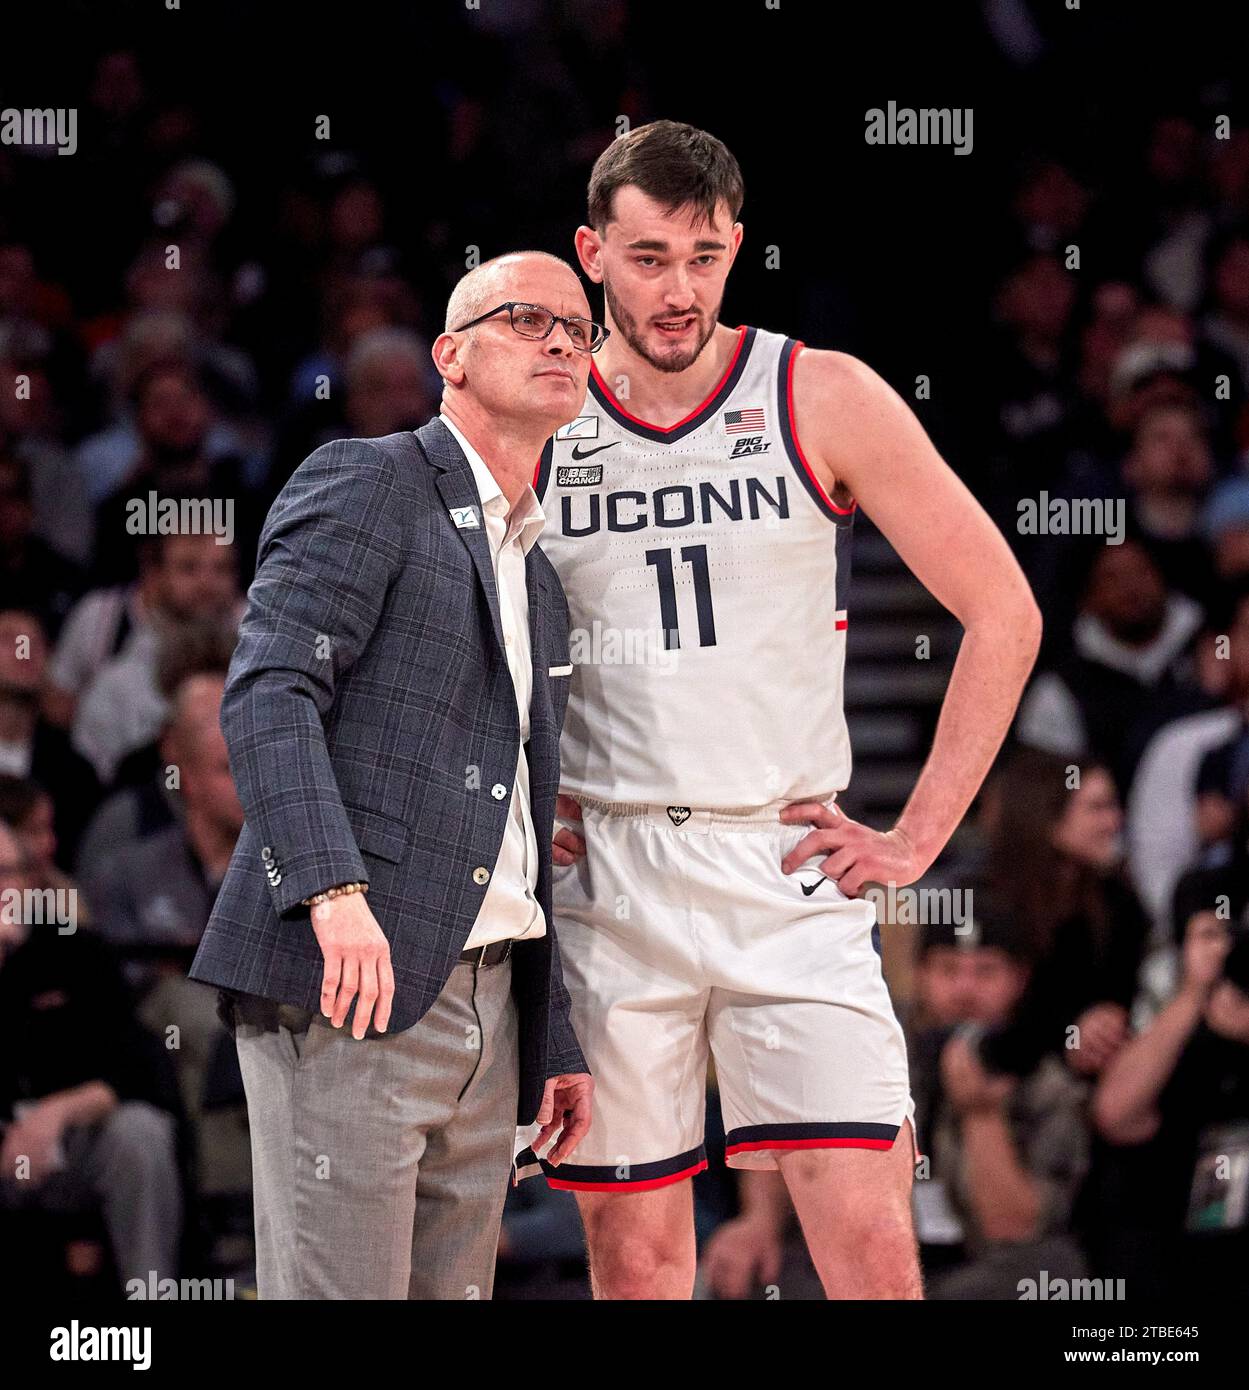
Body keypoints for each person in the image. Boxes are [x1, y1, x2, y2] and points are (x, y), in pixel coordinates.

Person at [535, 121, 1042, 1299]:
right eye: (649, 256)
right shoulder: (540, 420)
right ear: (592, 253)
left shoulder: (821, 392)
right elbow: (457, 637)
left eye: (704, 256)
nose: (679, 288)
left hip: (783, 860)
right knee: (640, 1259)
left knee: (870, 1248)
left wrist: (914, 837)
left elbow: (1003, 610)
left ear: (737, 248)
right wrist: (514, 803)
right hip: (609, 872)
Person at [188, 250, 595, 1300]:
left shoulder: (542, 581)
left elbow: (516, 825)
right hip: (350, 983)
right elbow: (269, 692)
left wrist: (547, 1033)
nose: (562, 340)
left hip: (490, 1007)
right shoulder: (369, 479)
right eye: (528, 319)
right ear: (449, 356)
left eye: (579, 330)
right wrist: (332, 888)